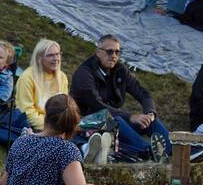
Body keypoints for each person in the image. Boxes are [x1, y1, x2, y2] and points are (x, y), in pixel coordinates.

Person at [4, 94, 149, 185]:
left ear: (46, 115)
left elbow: (5, 184)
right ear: (74, 124)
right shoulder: (66, 149)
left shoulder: (20, 143)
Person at [70, 34, 172, 162]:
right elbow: (97, 105)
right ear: (98, 52)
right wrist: (130, 116)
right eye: (109, 51)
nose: (114, 56)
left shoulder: (120, 70)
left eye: (117, 52)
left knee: (151, 122)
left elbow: (142, 93)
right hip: (85, 123)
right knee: (116, 119)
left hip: (112, 120)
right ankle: (148, 152)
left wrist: (150, 113)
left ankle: (170, 150)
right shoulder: (84, 73)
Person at [16, 38, 68, 133]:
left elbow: (63, 108)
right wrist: (50, 127)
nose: (56, 59)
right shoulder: (27, 77)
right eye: (50, 55)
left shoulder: (62, 77)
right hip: (31, 124)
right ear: (39, 58)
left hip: (55, 124)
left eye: (58, 54)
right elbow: (26, 111)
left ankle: (85, 146)